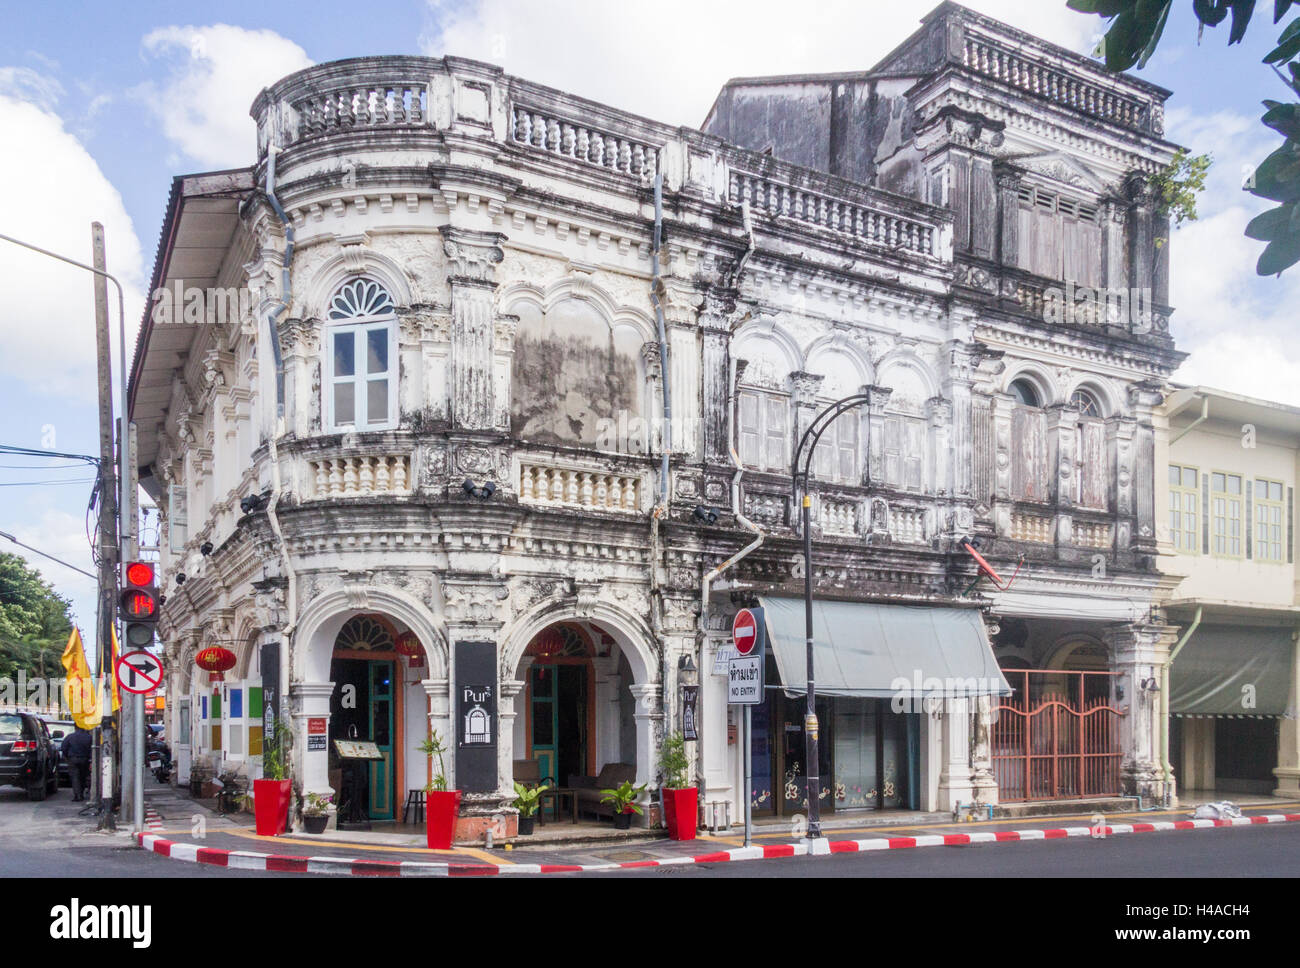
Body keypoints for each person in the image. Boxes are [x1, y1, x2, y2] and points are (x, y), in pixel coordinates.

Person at [61, 726, 93, 802]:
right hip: (85, 759)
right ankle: (81, 793)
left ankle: (77, 795)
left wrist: (67, 757)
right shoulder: (89, 737)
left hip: (73, 759)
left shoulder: (70, 736)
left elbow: (64, 747)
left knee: (75, 777)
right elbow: (91, 749)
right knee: (83, 776)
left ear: (75, 728)